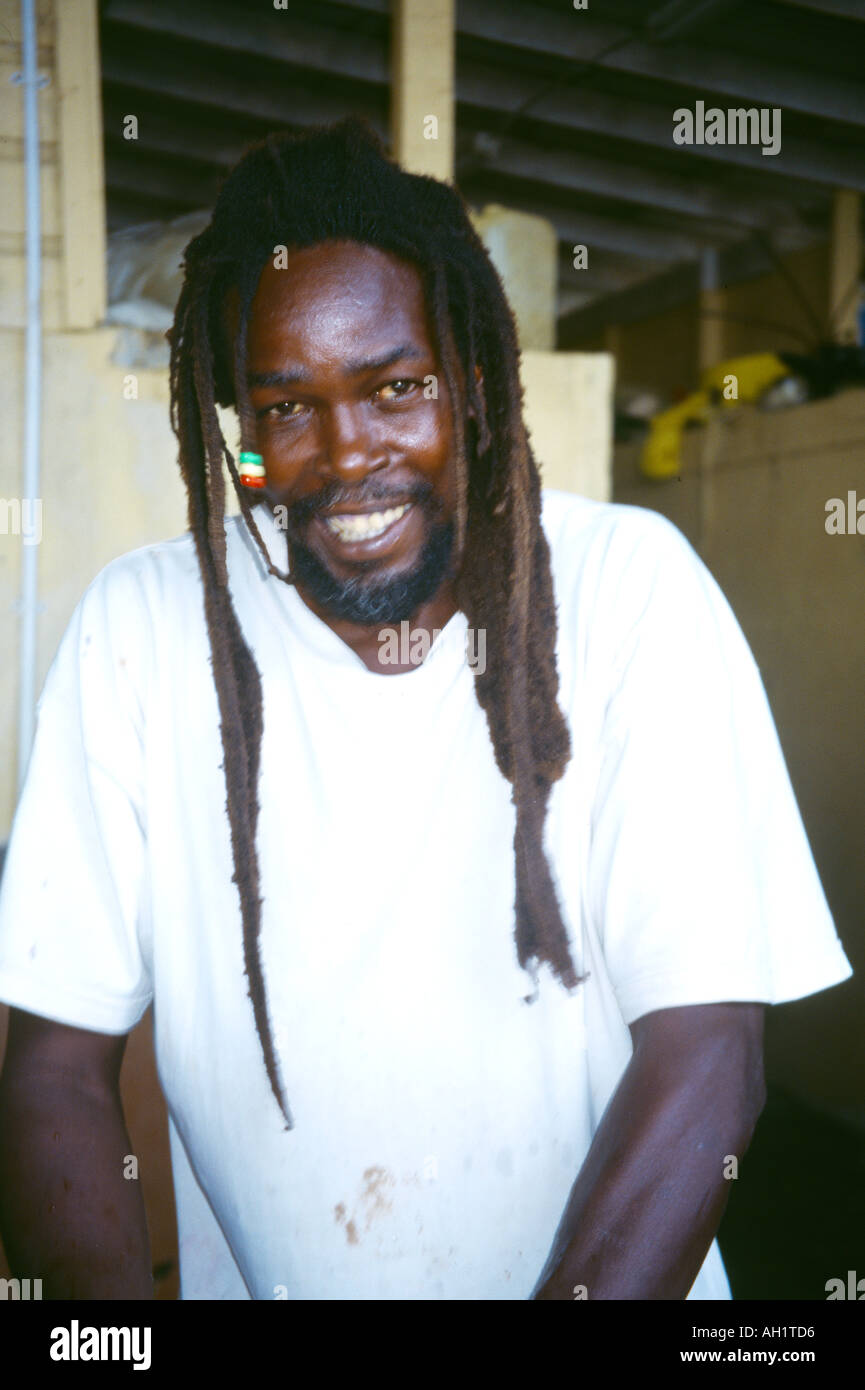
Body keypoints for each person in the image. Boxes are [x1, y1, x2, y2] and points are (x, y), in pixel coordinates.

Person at [0, 119, 852, 1301]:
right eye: (288, 406)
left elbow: (712, 1054)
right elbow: (52, 1062)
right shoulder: (137, 629)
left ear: (476, 376)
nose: (348, 453)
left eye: (396, 386)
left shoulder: (627, 589)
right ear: (238, 422)